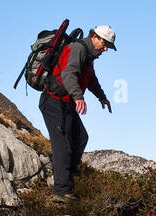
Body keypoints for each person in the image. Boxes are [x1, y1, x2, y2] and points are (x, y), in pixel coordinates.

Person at [39, 24, 115, 201]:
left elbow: (90, 79)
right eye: (104, 44)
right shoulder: (78, 49)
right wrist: (78, 97)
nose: (105, 49)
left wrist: (101, 97)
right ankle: (60, 191)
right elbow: (68, 74)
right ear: (95, 37)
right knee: (62, 143)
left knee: (81, 138)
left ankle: (67, 181)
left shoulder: (89, 55)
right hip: (53, 101)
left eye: (108, 47)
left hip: (66, 104)